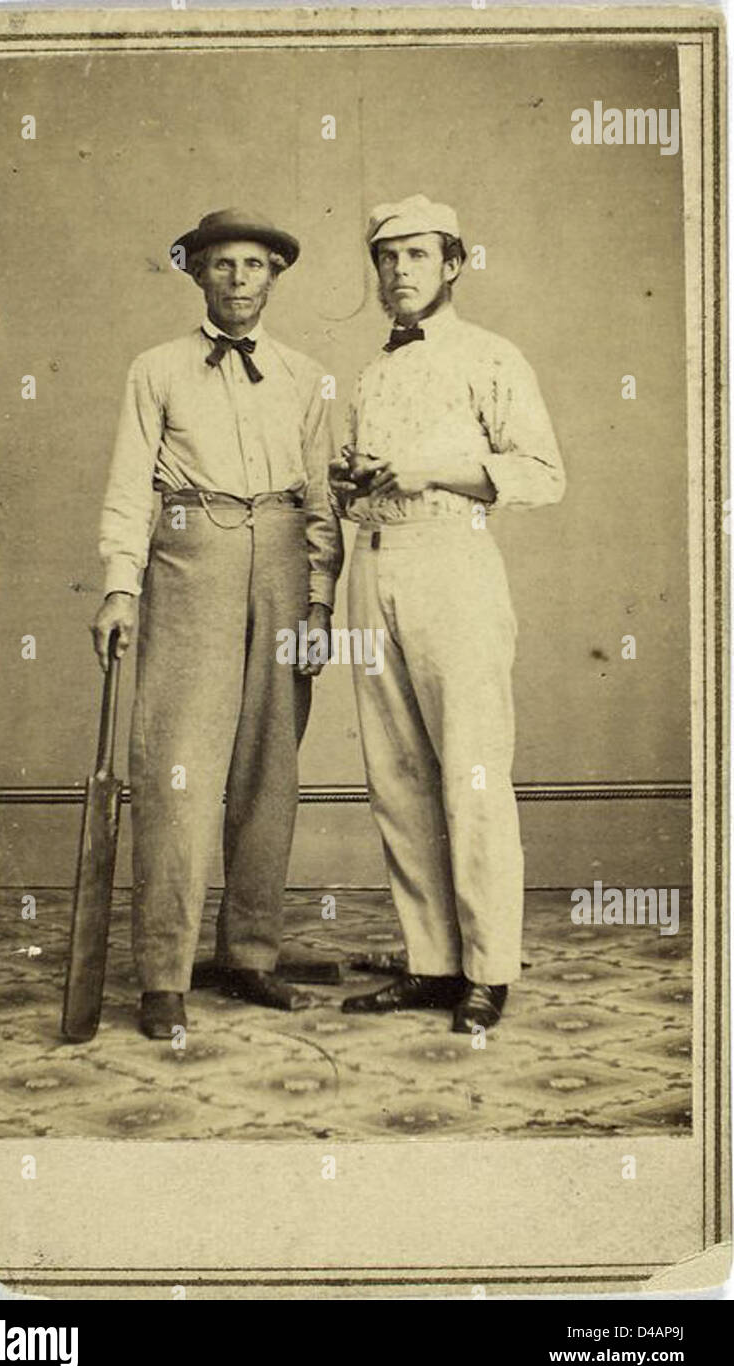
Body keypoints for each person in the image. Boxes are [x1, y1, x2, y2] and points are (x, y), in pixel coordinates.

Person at [91, 208, 343, 1039]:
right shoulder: (154, 368)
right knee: (176, 769)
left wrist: (317, 603)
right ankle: (163, 976)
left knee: (269, 766)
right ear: (195, 274)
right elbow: (131, 485)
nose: (239, 280)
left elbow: (320, 500)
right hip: (189, 556)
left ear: (276, 277)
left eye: (255, 266)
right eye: (222, 265)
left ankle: (250, 957)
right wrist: (120, 588)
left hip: (280, 560)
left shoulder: (307, 376)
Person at [333, 194, 565, 1034]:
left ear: (454, 265)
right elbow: (365, 492)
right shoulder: (370, 370)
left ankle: (488, 972)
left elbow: (541, 473)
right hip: (375, 567)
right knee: (396, 779)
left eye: (418, 255)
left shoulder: (490, 356)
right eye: (387, 258)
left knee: (469, 770)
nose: (399, 271)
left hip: (453, 568)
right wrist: (351, 487)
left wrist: (433, 466)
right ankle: (431, 963)